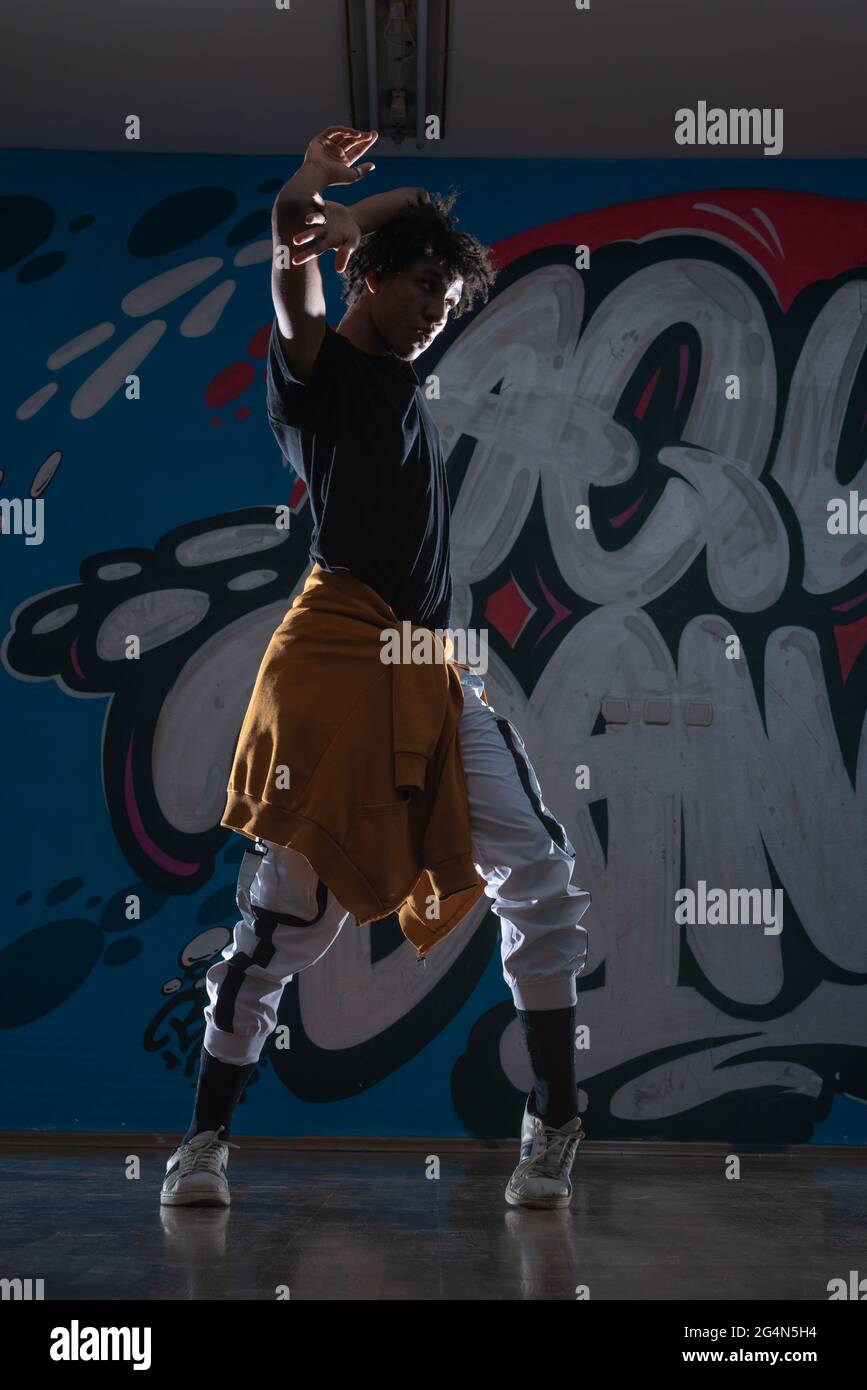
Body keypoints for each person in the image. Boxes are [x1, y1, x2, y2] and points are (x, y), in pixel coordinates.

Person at [161, 127, 591, 1213]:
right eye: (422, 288)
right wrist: (317, 199)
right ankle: (204, 1142)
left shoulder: (402, 381)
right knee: (284, 925)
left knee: (539, 873)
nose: (436, 311)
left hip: (429, 670)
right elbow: (290, 249)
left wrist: (386, 205)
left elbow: (367, 236)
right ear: (368, 278)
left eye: (449, 296)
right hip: (335, 662)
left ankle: (557, 1121)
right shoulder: (322, 369)